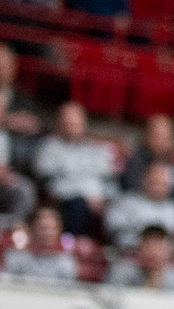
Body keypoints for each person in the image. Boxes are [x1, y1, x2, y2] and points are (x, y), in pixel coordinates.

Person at [33, 101, 116, 237]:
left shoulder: (98, 149)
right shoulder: (48, 148)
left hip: (99, 200)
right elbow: (49, 184)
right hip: (68, 202)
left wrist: (105, 198)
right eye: (67, 123)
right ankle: (73, 243)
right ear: (59, 124)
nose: (71, 127)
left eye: (75, 123)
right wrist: (86, 197)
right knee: (78, 205)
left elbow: (109, 181)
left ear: (84, 123)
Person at [106, 162, 174, 246]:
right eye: (154, 182)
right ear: (143, 180)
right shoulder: (124, 203)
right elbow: (113, 229)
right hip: (130, 252)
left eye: (162, 184)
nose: (158, 188)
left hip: (169, 255)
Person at [3, 205, 78, 283]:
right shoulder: (16, 258)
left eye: (52, 229)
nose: (48, 233)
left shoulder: (66, 262)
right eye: (43, 228)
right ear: (31, 230)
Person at [119, 114, 174, 195]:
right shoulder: (134, 163)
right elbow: (133, 190)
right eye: (158, 136)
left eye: (166, 138)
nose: (162, 142)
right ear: (146, 137)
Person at [108, 225, 174, 289]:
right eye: (149, 244)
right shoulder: (122, 272)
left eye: (158, 245)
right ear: (139, 247)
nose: (153, 251)